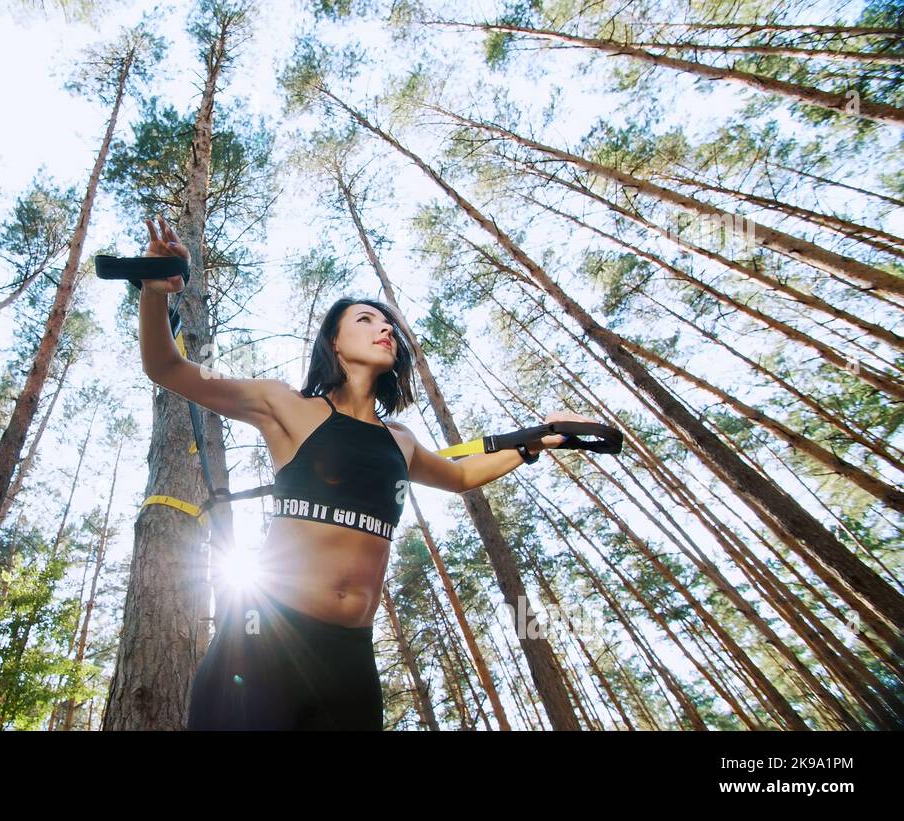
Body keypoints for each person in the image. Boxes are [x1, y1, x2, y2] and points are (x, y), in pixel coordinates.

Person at [136, 214, 600, 730]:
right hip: (265, 640)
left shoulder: (400, 441)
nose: (385, 328)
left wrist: (541, 440)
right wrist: (155, 292)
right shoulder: (285, 405)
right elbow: (167, 368)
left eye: (388, 325)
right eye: (365, 320)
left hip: (351, 656)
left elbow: (460, 476)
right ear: (333, 343)